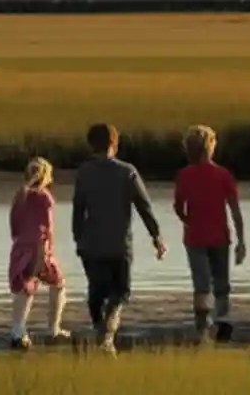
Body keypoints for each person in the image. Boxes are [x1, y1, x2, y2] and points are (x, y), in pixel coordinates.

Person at [72, 122, 167, 354]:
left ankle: (101, 331)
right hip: (119, 244)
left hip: (92, 244)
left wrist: (78, 238)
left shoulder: (84, 172)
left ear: (90, 144)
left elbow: (78, 209)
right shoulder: (127, 172)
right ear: (115, 144)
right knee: (120, 292)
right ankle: (108, 332)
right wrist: (156, 235)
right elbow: (144, 206)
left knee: (96, 290)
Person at [172, 125, 247, 344]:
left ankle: (203, 325)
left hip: (195, 237)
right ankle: (222, 318)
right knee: (221, 281)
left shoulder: (184, 175)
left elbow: (178, 206)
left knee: (201, 282)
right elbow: (235, 210)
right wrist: (241, 240)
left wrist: (187, 220)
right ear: (211, 147)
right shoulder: (223, 175)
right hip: (220, 236)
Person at [6, 156, 70, 350]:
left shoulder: (20, 196)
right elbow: (46, 228)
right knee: (58, 284)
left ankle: (18, 330)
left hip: (20, 247)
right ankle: (53, 328)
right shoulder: (44, 198)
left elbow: (14, 225)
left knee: (24, 289)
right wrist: (43, 253)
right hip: (39, 248)